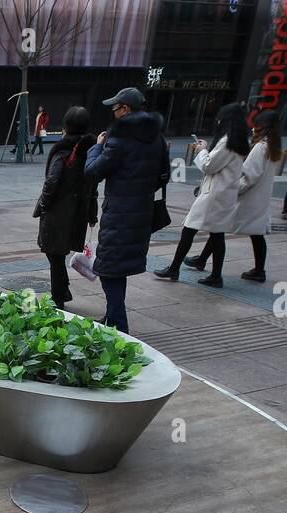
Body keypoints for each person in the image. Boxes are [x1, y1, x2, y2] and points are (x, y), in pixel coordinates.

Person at [84, 87, 170, 332]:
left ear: (126, 109)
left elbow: (92, 172)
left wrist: (97, 147)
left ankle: (119, 325)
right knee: (115, 268)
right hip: (141, 212)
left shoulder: (119, 138)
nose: (113, 112)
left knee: (109, 269)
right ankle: (112, 317)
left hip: (120, 213)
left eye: (115, 108)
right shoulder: (157, 138)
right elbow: (163, 176)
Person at [155, 102, 248, 287]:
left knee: (189, 229)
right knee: (216, 235)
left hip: (214, 194)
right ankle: (214, 275)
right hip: (223, 194)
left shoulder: (227, 142)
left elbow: (209, 165)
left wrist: (202, 149)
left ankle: (175, 268)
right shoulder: (238, 141)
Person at [187, 109, 281, 282]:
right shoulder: (273, 147)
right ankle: (257, 269)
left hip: (248, 198)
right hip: (259, 198)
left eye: (257, 125)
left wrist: (234, 190)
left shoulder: (260, 147)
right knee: (248, 233)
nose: (253, 128)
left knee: (219, 229)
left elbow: (249, 175)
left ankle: (209, 265)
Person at [33, 106, 98, 311]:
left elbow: (52, 181)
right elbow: (94, 186)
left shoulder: (63, 151)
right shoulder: (90, 151)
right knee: (57, 254)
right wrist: (92, 213)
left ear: (66, 126)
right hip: (78, 212)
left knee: (54, 253)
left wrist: (43, 204)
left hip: (58, 213)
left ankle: (59, 297)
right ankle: (62, 291)